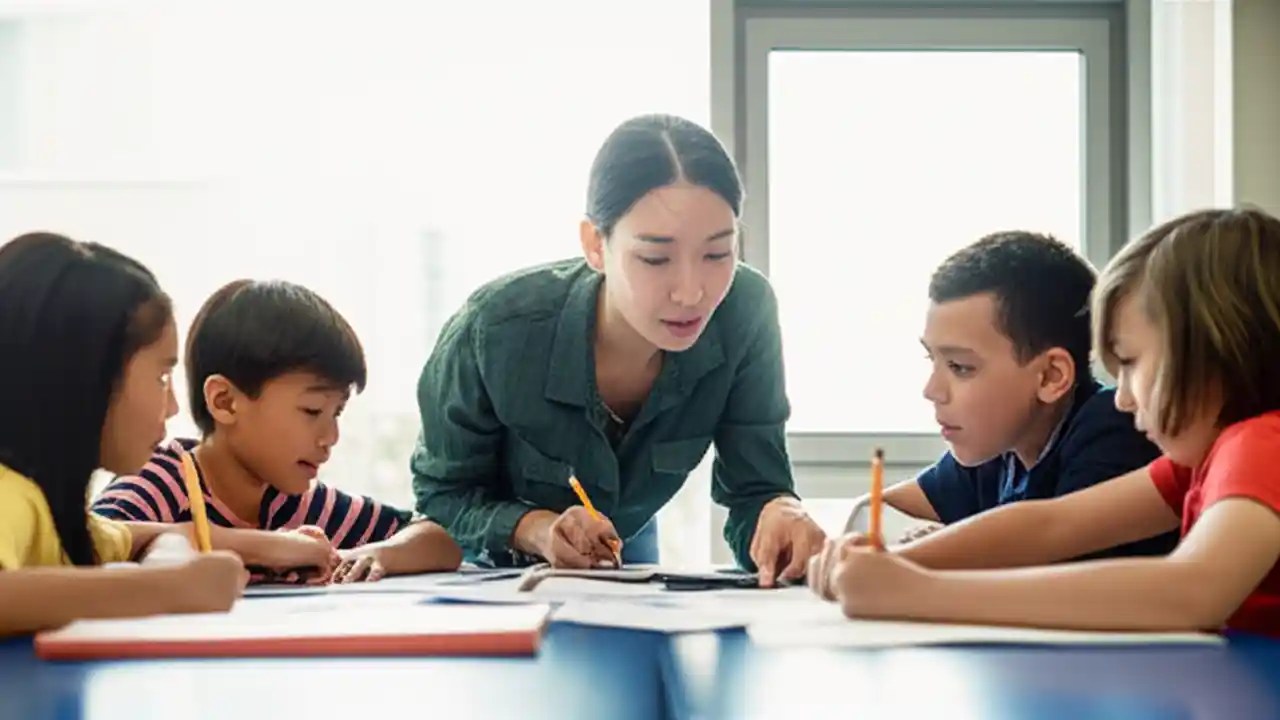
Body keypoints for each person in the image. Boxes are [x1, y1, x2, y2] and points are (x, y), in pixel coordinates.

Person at [810, 207, 1280, 636]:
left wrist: (914, 593)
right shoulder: (1201, 463)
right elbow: (1050, 525)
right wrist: (892, 563)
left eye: (1132, 363)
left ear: (1213, 354)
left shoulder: (1262, 444)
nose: (1123, 400)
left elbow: (1190, 593)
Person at [412, 114, 825, 586]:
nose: (691, 292)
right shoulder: (494, 329)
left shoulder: (745, 311)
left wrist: (781, 515)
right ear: (595, 244)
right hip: (495, 583)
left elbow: (756, 492)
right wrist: (536, 529)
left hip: (625, 565)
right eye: (655, 258)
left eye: (717, 254)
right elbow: (441, 496)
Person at [95, 280, 461, 583]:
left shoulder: (300, 503)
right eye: (312, 411)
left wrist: (371, 553)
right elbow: (92, 542)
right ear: (225, 402)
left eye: (337, 413)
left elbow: (439, 539)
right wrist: (269, 546)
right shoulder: (161, 482)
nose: (330, 436)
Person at [858, 231, 1173, 557]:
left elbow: (1056, 569)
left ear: (1051, 376)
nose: (931, 391)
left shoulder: (1112, 432)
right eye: (931, 359)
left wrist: (936, 550)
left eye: (960, 367)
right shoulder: (999, 448)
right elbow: (876, 511)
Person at [0, 232, 244, 635]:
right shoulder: (11, 493)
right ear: (86, 377)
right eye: (162, 376)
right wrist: (167, 588)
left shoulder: (50, 508)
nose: (173, 407)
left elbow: (137, 537)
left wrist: (169, 556)